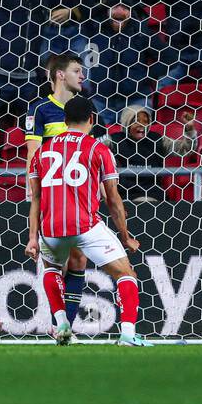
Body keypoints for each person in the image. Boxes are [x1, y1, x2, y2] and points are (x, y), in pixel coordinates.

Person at [26, 96, 152, 347]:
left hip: (50, 229)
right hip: (85, 226)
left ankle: (62, 325)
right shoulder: (98, 148)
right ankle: (127, 334)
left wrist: (32, 238)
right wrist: (125, 235)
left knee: (52, 270)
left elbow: (36, 198)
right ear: (92, 120)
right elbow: (114, 200)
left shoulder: (43, 151)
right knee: (126, 273)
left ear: (64, 120)